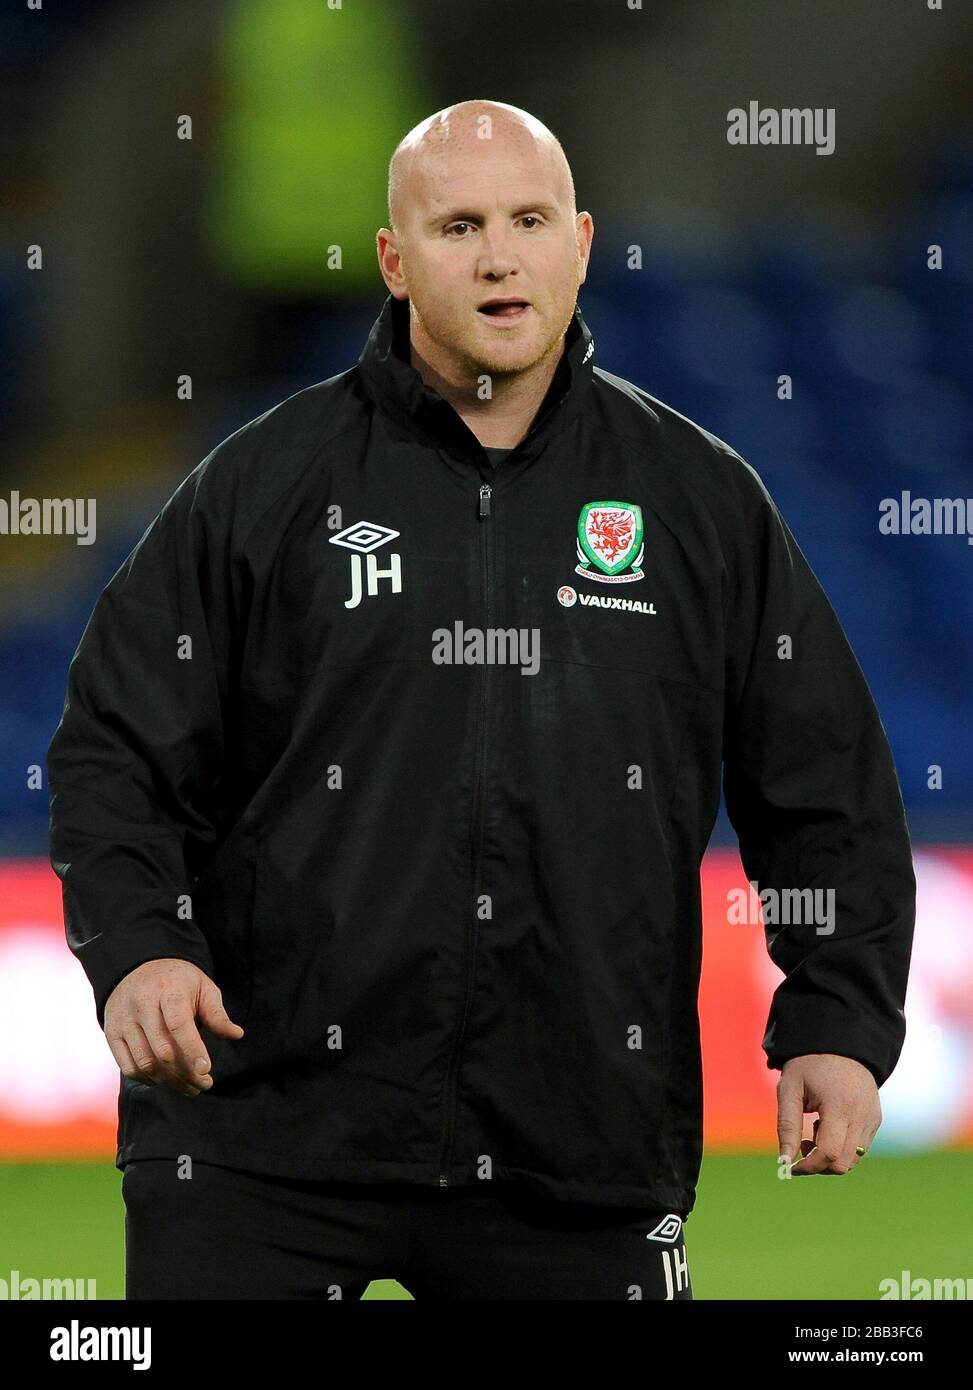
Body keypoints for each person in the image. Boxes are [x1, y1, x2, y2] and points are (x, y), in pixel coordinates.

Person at [47, 99, 916, 1301]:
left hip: (579, 1153)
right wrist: (140, 947)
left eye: (528, 220)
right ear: (397, 263)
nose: (499, 256)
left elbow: (828, 790)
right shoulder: (264, 483)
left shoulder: (697, 502)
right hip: (262, 1140)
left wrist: (836, 1019)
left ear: (581, 243)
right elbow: (112, 749)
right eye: (458, 226)